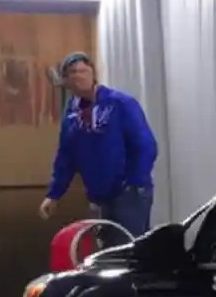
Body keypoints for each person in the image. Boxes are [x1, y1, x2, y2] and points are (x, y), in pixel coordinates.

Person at [39, 52, 159, 237]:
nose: (78, 76)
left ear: (93, 74)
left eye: (83, 71)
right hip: (100, 195)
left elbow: (145, 145)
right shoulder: (72, 114)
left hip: (129, 193)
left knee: (128, 249)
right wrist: (54, 194)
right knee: (108, 251)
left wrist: (133, 182)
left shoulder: (119, 103)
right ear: (66, 80)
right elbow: (66, 156)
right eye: (72, 72)